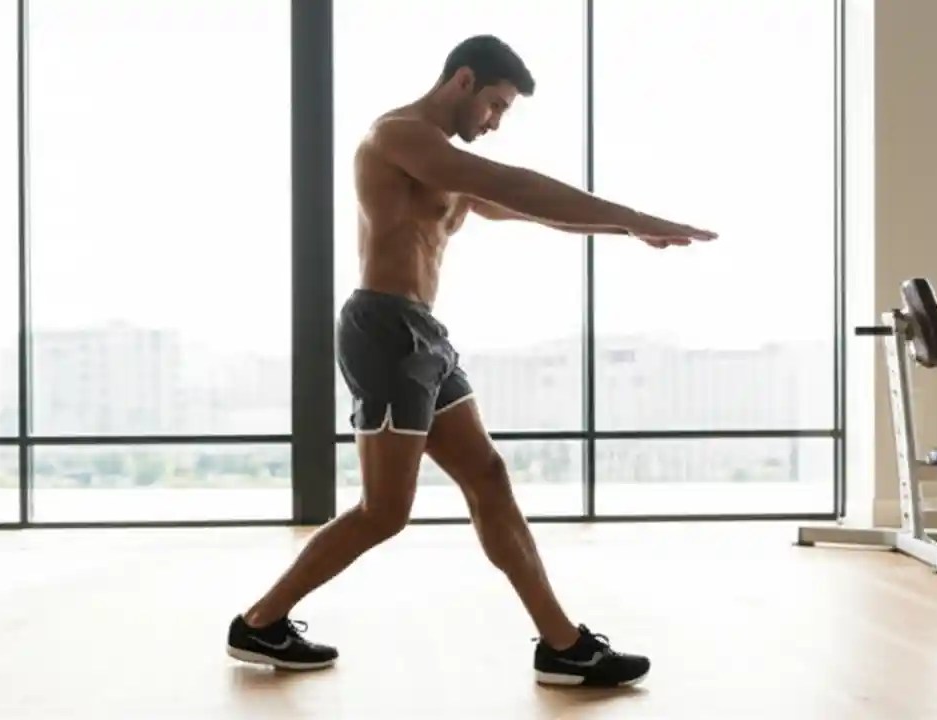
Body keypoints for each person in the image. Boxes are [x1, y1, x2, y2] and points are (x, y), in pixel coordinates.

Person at [226, 34, 716, 687]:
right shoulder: (399, 137)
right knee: (385, 511)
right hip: (384, 329)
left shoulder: (443, 166)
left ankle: (563, 646)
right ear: (462, 80)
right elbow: (507, 181)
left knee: (488, 477)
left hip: (424, 335)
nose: (496, 120)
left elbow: (535, 210)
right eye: (495, 104)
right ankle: (260, 623)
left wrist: (626, 228)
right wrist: (629, 214)